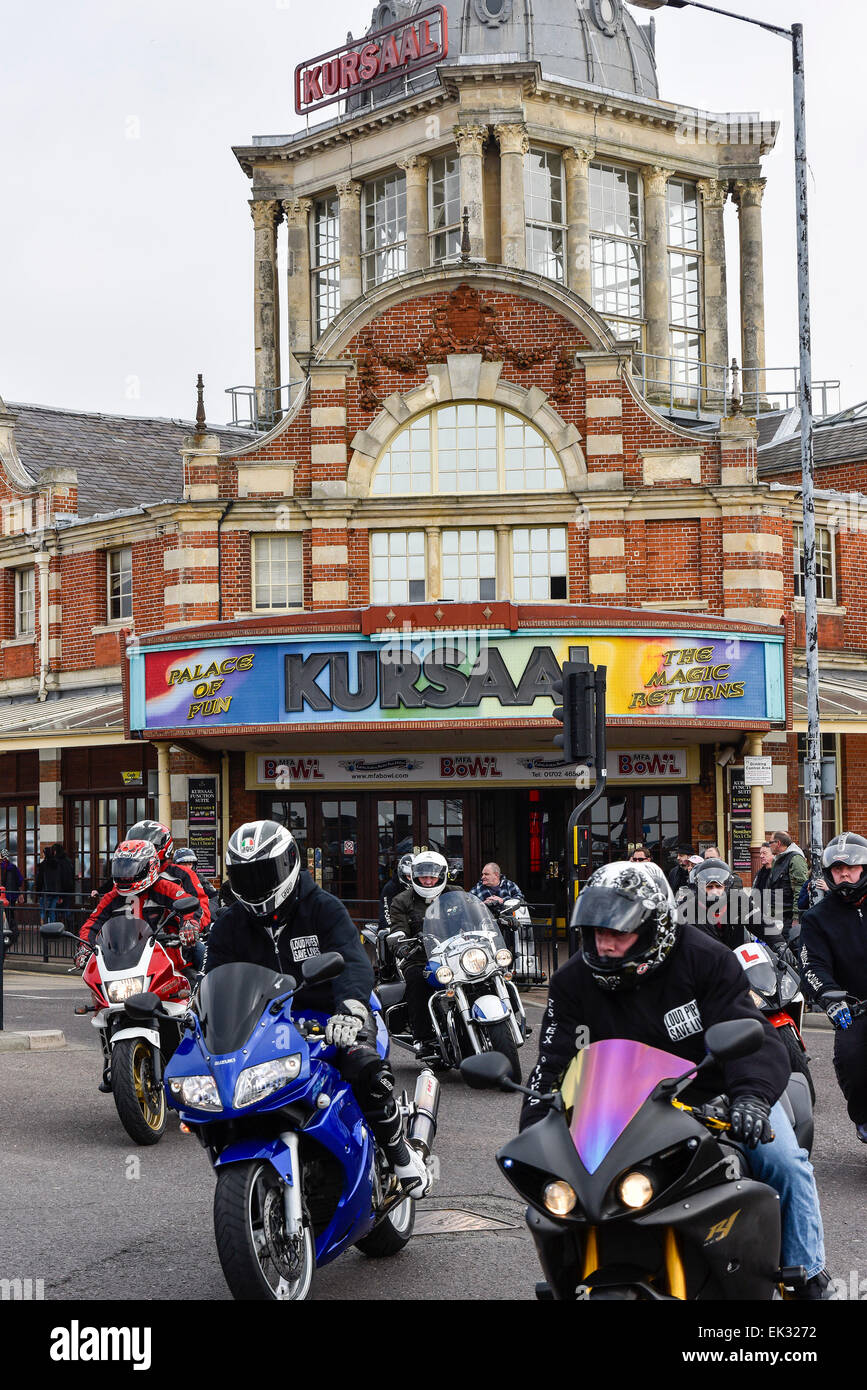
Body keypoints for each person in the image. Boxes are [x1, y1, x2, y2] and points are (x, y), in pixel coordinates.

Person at [521, 860, 833, 1299]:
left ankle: (810, 1277)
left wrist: (751, 1100)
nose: (604, 944)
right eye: (596, 932)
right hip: (625, 1109)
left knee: (783, 1161)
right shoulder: (574, 980)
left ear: (654, 927)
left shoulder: (705, 958)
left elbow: (754, 1035)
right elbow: (553, 1061)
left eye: (618, 933)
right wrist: (536, 1128)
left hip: (718, 1097)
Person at [205, 820, 430, 1196]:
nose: (256, 883)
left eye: (264, 872)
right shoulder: (230, 924)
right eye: (246, 875)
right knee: (223, 1090)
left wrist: (351, 1009)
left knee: (364, 1068)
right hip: (265, 1025)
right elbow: (215, 976)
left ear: (289, 863)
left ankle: (399, 1152)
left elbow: (352, 960)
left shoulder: (323, 907)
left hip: (332, 1013)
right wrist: (203, 1020)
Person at [800, 833, 867, 1145]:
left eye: (851, 867)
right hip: (854, 1007)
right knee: (850, 1059)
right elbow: (812, 964)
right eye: (837, 868)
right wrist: (829, 997)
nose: (844, 873)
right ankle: (864, 1117)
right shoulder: (817, 918)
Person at [390, 850, 462, 1062]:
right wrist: (401, 943)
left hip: (455, 955)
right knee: (417, 981)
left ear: (441, 875)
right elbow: (397, 930)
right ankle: (424, 1039)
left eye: (432, 876)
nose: (428, 881)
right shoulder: (402, 900)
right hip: (420, 957)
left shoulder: (455, 893)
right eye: (423, 876)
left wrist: (494, 920)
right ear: (414, 876)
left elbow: (473, 916)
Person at [769, 831, 808, 939]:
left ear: (778, 843)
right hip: (776, 915)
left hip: (787, 917)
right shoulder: (778, 859)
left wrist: (796, 917)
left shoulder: (795, 859)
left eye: (770, 842)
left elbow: (800, 888)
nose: (769, 845)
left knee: (787, 950)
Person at [379, 853, 414, 932]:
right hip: (396, 927)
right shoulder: (390, 887)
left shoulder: (422, 886)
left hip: (415, 927)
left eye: (413, 876)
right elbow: (386, 911)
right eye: (408, 876)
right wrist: (390, 929)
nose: (411, 879)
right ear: (401, 873)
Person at [0, 847, 23, 943]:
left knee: (5, 917)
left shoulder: (1, 867)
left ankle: (6, 935)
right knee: (10, 915)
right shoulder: (13, 868)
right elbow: (20, 880)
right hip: (12, 896)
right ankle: (13, 934)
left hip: (2, 896)